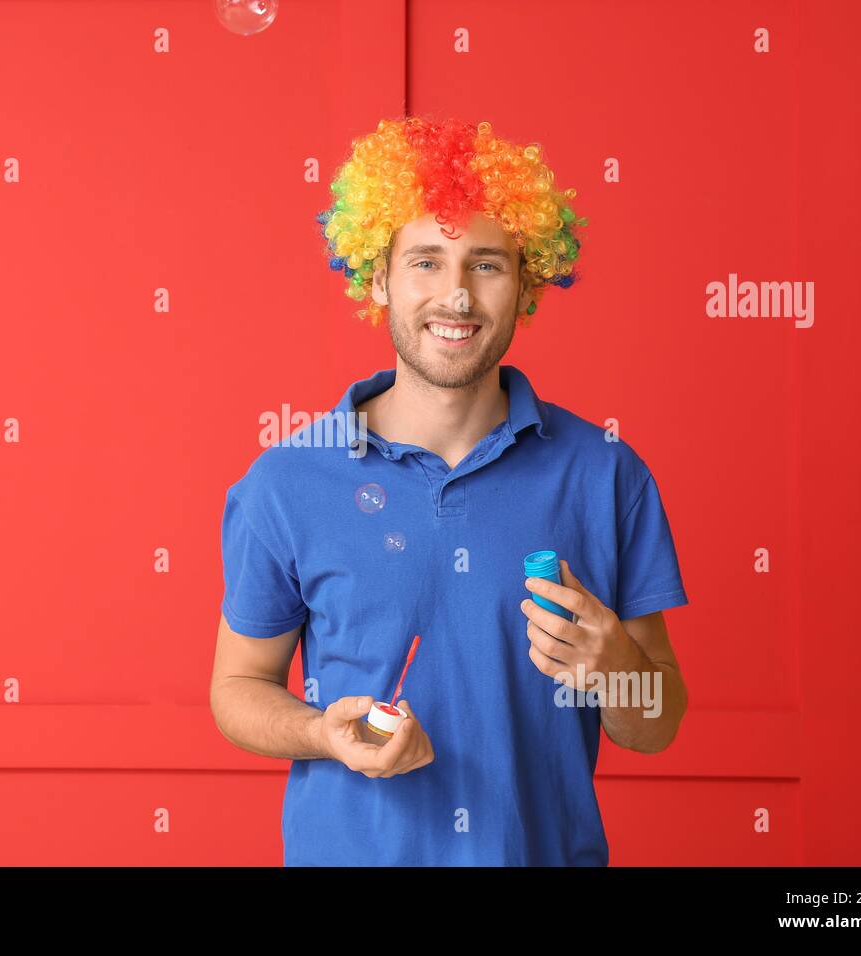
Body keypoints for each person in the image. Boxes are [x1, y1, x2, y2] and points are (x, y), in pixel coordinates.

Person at [209, 116, 690, 866]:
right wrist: (318, 733)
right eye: (427, 262)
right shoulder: (288, 480)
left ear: (526, 285)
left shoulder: (605, 473)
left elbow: (654, 725)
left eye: (487, 265)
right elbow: (238, 687)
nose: (456, 297)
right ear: (378, 279)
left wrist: (617, 668)